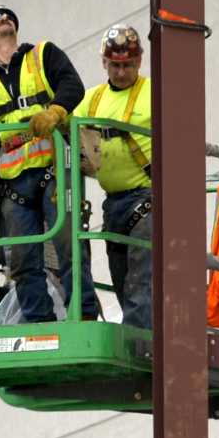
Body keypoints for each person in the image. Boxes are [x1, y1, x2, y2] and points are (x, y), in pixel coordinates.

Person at [0, 2, 102, 324]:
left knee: (69, 245)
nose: (4, 19)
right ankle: (38, 322)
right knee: (20, 260)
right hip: (13, 182)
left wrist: (56, 111)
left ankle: (84, 315)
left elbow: (72, 87)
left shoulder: (43, 55)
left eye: (7, 16)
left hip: (53, 169)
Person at [78, 24, 154, 330]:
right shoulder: (92, 100)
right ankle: (137, 334)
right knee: (122, 279)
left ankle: (140, 340)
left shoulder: (154, 92)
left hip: (147, 197)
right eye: (115, 66)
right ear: (104, 63)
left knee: (142, 278)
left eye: (127, 65)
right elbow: (63, 129)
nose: (121, 72)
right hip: (114, 202)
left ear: (139, 62)